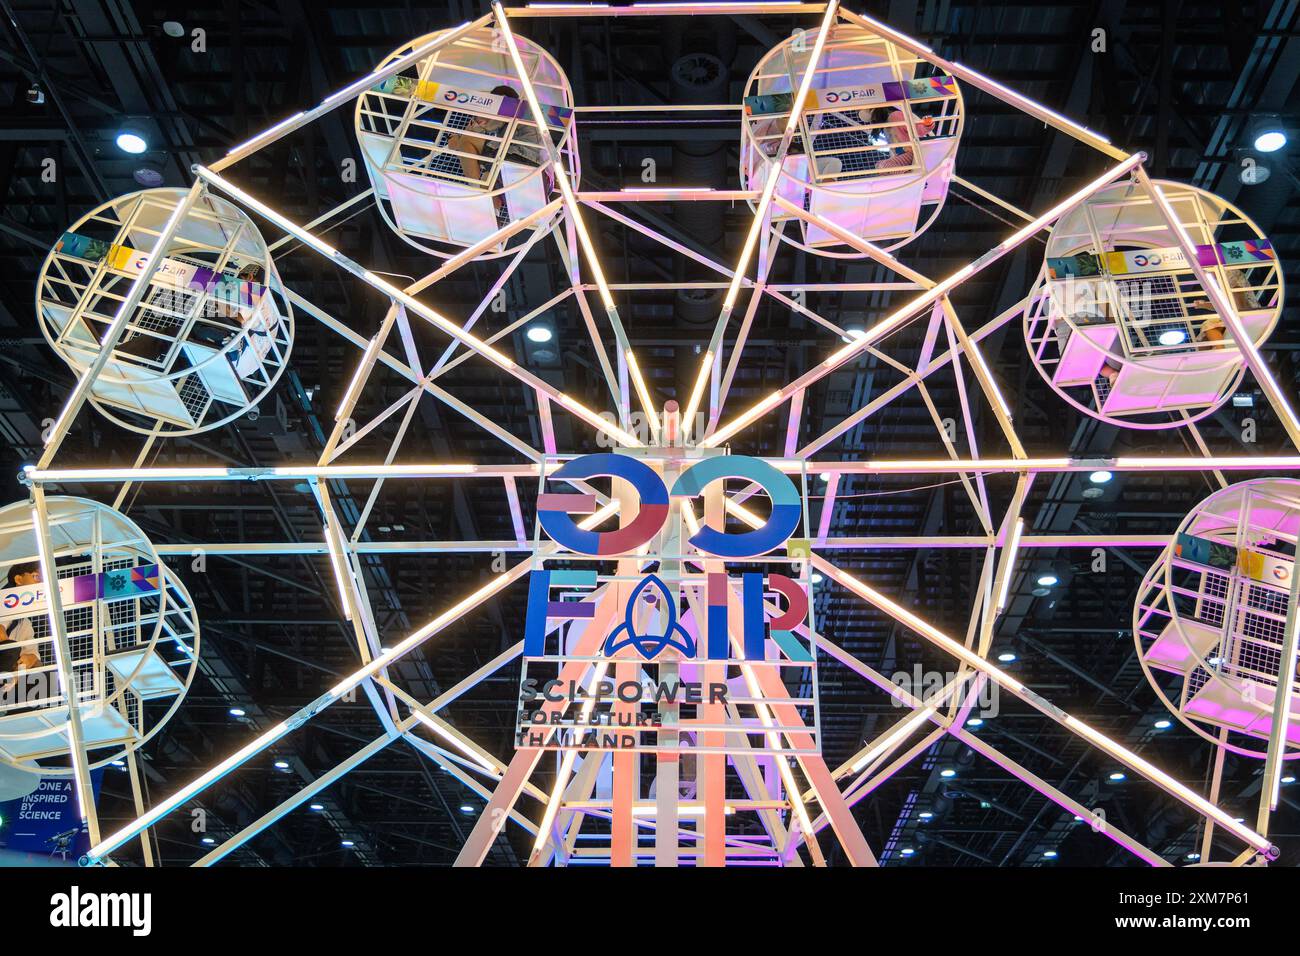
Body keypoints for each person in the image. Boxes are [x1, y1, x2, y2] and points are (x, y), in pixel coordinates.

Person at [0, 561, 44, 707]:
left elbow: (34, 657)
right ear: (18, 580)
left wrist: (28, 660)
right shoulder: (3, 600)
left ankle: (29, 714)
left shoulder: (24, 622)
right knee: (11, 649)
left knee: (43, 672)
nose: (41, 584)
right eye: (36, 577)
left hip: (10, 677)